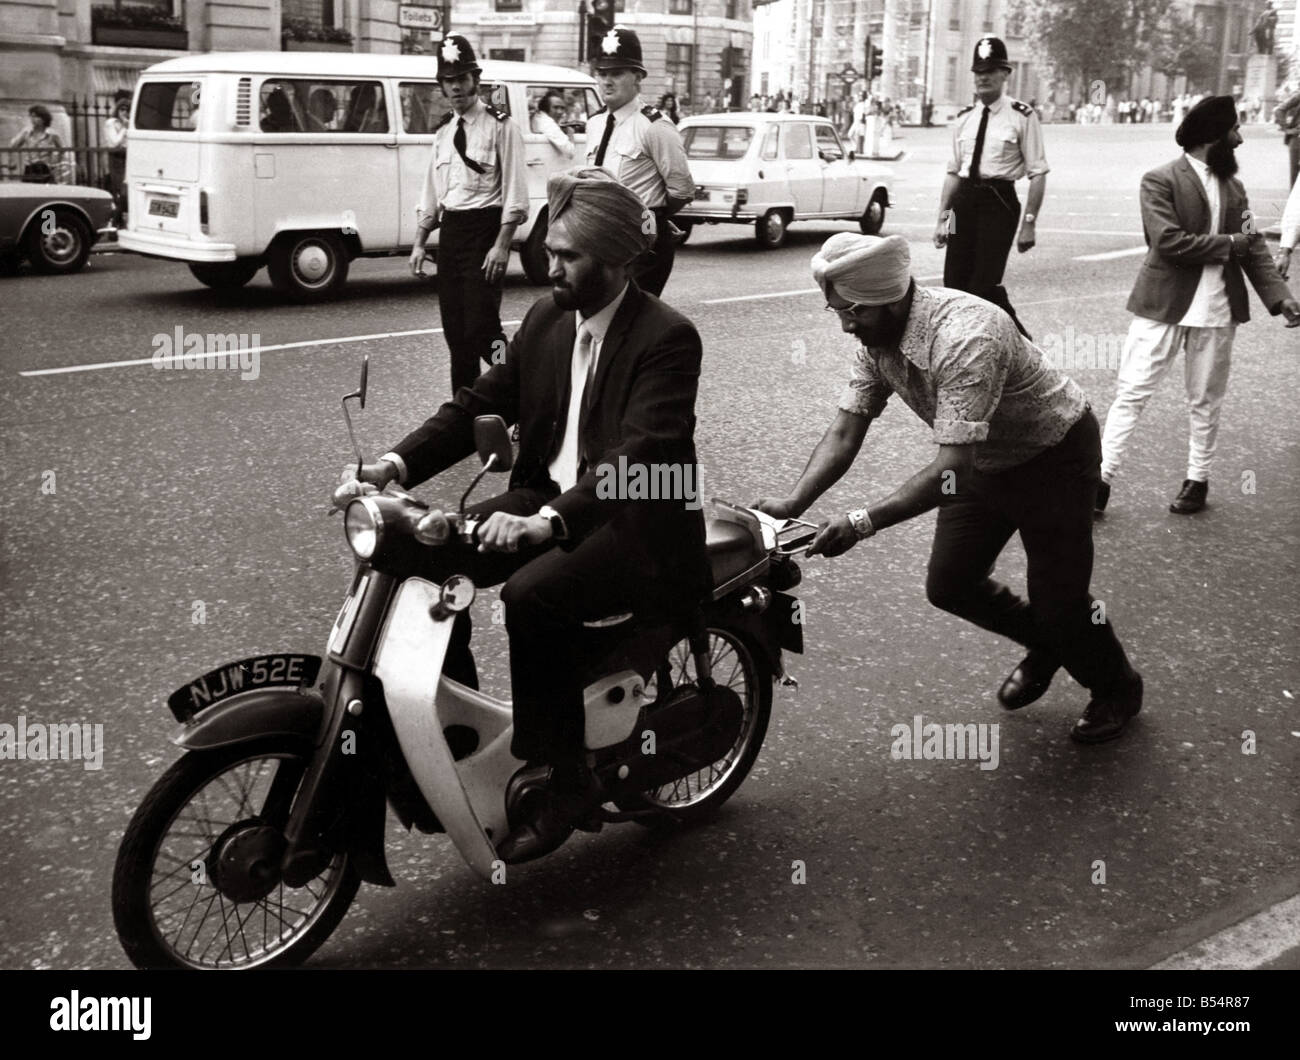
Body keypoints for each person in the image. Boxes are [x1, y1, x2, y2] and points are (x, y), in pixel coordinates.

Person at [350, 168, 709, 861]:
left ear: (613, 259)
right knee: (420, 548)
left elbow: (643, 456)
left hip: (633, 523)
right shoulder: (548, 317)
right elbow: (478, 406)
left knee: (531, 595)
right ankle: (451, 727)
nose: (550, 263)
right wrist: (393, 466)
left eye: (570, 254)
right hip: (546, 495)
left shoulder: (667, 338)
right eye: (551, 247)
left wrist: (549, 524)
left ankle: (565, 778)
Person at [754, 233, 1144, 744]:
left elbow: (949, 473)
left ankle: (1117, 687)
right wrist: (793, 502)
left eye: (852, 312)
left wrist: (860, 522)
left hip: (1054, 457)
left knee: (1061, 600)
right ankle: (1052, 645)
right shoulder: (876, 336)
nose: (846, 324)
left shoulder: (966, 336)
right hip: (982, 460)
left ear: (888, 299)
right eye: (837, 313)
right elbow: (848, 428)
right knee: (951, 585)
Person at [1097, 96, 1300, 515]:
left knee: (1205, 400)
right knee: (1132, 393)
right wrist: (1230, 243)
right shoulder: (1160, 180)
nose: (1241, 139)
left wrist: (1281, 299)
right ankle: (1099, 480)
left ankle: (1197, 480)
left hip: (1218, 310)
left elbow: (1254, 247)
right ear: (1213, 137)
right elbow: (1168, 242)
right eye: (1234, 131)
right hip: (1163, 304)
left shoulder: (1234, 188)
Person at [409, 34, 528, 395]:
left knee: (483, 330)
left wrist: (502, 245)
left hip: (485, 232)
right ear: (442, 87)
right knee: (456, 333)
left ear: (475, 80)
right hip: (454, 234)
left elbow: (515, 193)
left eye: (462, 79)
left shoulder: (501, 126)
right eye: (449, 81)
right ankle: (465, 412)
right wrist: (419, 243)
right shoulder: (444, 133)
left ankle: (519, 389)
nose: (456, 87)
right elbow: (432, 193)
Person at [934, 36, 1047, 339]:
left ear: (1005, 74)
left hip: (999, 203)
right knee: (954, 283)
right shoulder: (963, 120)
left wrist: (1029, 225)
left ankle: (1022, 345)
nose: (983, 77)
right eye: (978, 72)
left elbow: (1038, 172)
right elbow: (953, 173)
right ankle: (965, 347)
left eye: (991, 71)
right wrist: (944, 220)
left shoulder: (1022, 116)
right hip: (963, 203)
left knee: (984, 285)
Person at [585, 25, 694, 298]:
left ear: (638, 77)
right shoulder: (595, 123)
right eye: (602, 73)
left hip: (641, 239)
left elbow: (682, 189)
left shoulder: (654, 126)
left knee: (631, 323)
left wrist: (650, 214)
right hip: (600, 237)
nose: (607, 81)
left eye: (617, 73)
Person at [9, 104, 64, 181]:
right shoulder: (27, 132)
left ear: (44, 119)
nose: (33, 119)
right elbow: (13, 146)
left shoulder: (52, 134)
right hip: (29, 168)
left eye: (36, 116)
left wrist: (55, 163)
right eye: (31, 116)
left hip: (45, 168)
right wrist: (22, 134)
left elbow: (62, 150)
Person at [104, 91, 130, 225]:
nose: (124, 112)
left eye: (127, 110)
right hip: (116, 158)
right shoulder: (111, 123)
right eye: (122, 109)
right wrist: (124, 129)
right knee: (119, 191)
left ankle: (119, 221)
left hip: (127, 157)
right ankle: (114, 221)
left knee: (126, 190)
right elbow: (114, 142)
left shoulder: (128, 123)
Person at [529, 91, 574, 158]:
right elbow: (570, 152)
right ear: (546, 107)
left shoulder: (538, 117)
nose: (560, 112)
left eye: (562, 108)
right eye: (555, 107)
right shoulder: (547, 123)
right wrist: (570, 134)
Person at [1275, 82, 1300, 187]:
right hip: (1297, 139)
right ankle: (1295, 202)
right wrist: (1286, 129)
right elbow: (1279, 110)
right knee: (1296, 173)